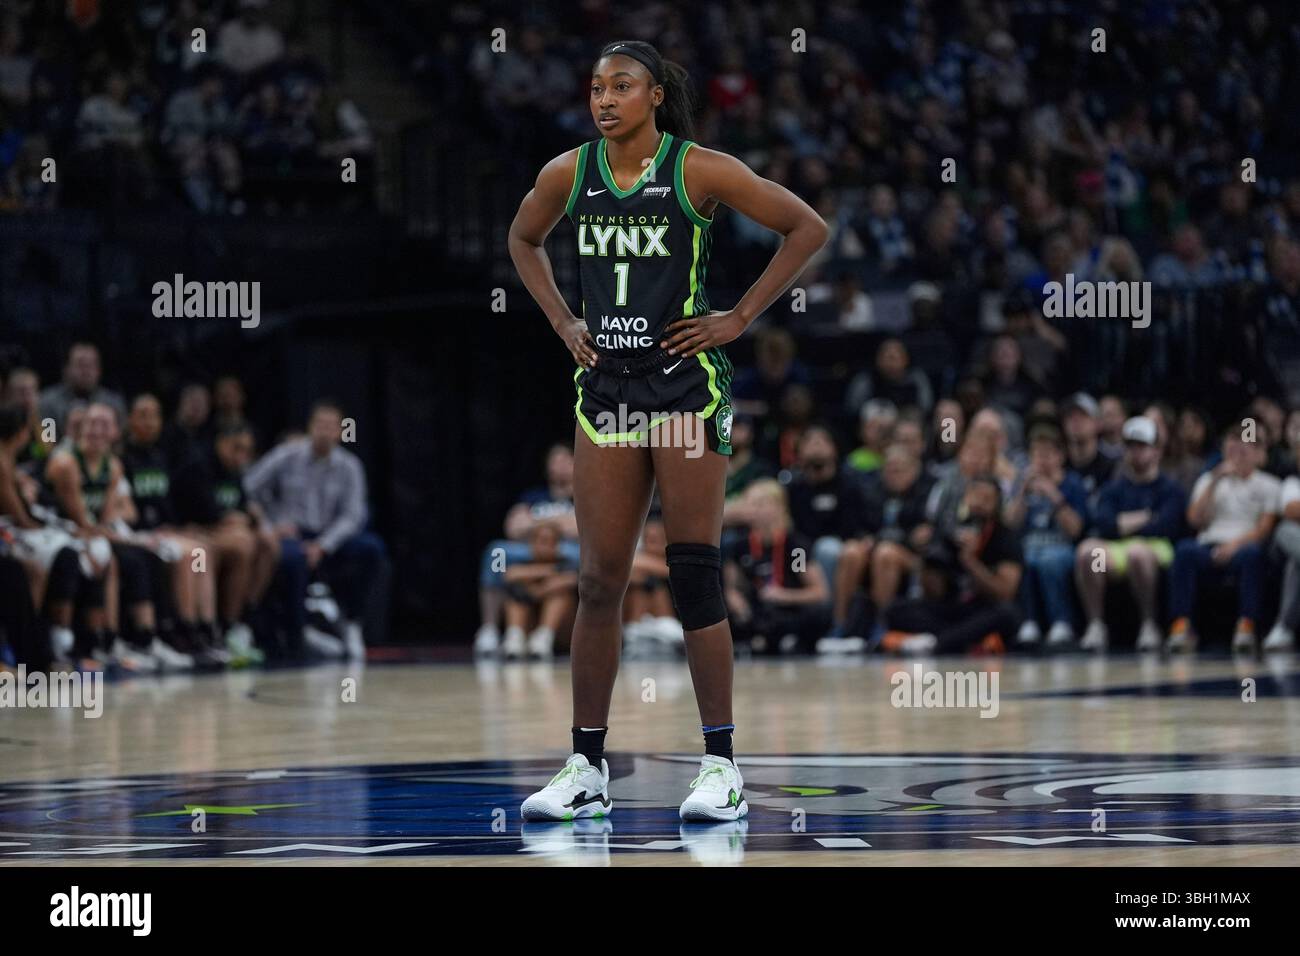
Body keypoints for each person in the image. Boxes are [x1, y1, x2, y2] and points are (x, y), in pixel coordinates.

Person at [509, 40, 827, 823]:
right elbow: (523, 240)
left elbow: (806, 227)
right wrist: (561, 320)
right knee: (598, 581)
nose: (604, 99)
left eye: (622, 86)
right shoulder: (567, 173)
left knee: (692, 575)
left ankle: (721, 766)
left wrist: (739, 318)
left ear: (654, 96)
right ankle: (586, 766)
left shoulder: (697, 170)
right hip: (606, 393)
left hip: (684, 390)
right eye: (595, 87)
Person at [243, 400, 390, 660]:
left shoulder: (350, 466)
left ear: (341, 431)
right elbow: (248, 484)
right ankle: (299, 631)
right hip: (292, 534)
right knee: (292, 559)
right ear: (310, 427)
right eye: (319, 424)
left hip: (330, 537)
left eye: (331, 426)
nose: (324, 431)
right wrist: (269, 525)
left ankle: (351, 621)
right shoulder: (287, 455)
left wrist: (324, 545)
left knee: (372, 549)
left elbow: (353, 515)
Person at [1074, 417, 1186, 652]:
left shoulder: (1170, 488)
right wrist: (1146, 516)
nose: (1135, 452)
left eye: (1142, 446)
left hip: (1157, 548)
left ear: (1157, 451)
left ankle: (1149, 624)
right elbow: (1104, 525)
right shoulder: (1114, 488)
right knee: (1089, 552)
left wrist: (1123, 523)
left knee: (1137, 553)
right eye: (1130, 446)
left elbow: (1167, 527)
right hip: (1117, 550)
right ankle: (1096, 624)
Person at [880, 476, 1023, 655]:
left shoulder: (1005, 537)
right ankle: (961, 641)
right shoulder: (949, 531)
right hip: (954, 610)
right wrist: (926, 559)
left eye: (987, 499)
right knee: (895, 610)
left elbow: (1004, 593)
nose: (979, 503)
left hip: (984, 609)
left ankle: (939, 642)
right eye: (975, 496)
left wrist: (970, 561)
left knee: (1008, 614)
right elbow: (935, 594)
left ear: (997, 504)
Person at [1168, 427, 1280, 653]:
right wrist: (1215, 480)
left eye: (1245, 445)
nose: (1238, 450)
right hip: (1208, 546)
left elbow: (1264, 529)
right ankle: (1182, 625)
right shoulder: (1209, 479)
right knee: (1184, 551)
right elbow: (1194, 520)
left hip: (1243, 547)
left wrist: (1234, 546)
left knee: (1253, 555)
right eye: (1232, 444)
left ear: (1259, 454)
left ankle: (1247, 625)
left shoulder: (1269, 484)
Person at [723, 480, 830, 655]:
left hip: (789, 608)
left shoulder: (795, 547)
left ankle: (787, 641)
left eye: (760, 504)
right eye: (749, 505)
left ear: (779, 507)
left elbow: (817, 592)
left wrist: (784, 596)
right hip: (756, 609)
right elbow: (731, 588)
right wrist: (736, 601)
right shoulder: (740, 546)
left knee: (816, 615)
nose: (753, 510)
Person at [1004, 425, 1087, 646]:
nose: (1042, 460)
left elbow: (1076, 530)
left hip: (1062, 547)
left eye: (1048, 454)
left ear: (1060, 456)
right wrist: (1022, 492)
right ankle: (1029, 621)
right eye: (1037, 454)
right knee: (1026, 560)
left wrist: (1053, 494)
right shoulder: (1023, 485)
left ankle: (1062, 621)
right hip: (1030, 547)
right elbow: (1010, 524)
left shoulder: (1072, 483)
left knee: (1048, 560)